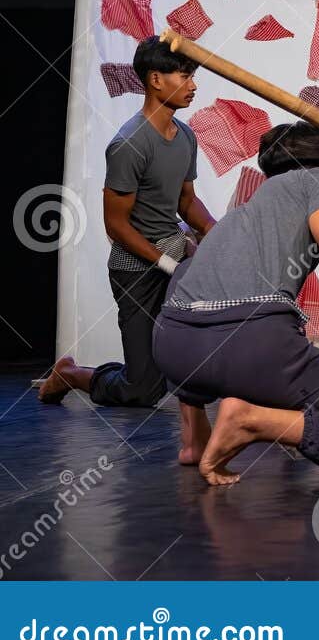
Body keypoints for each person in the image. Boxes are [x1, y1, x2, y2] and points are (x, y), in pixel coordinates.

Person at [151, 123, 319, 485]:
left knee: (189, 276)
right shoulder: (318, 177)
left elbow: (184, 280)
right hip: (250, 347)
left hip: (174, 349)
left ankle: (193, 439)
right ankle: (252, 421)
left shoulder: (245, 213)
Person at [41, 37, 217, 444]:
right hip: (136, 270)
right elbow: (117, 227)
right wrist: (165, 263)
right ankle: (69, 374)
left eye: (193, 76)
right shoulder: (128, 144)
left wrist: (214, 231)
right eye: (184, 76)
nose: (193, 85)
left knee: (203, 357)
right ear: (155, 79)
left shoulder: (186, 136)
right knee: (142, 391)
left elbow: (187, 202)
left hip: (174, 255)